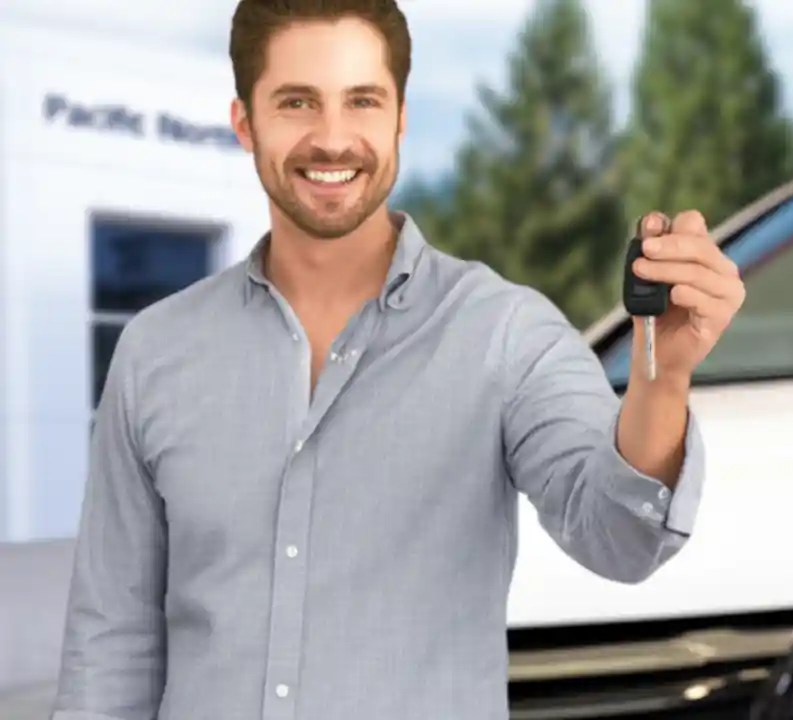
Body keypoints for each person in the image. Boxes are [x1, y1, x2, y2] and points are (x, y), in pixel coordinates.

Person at [48, 1, 745, 719]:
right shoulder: (156, 351)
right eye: (296, 102)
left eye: (362, 100)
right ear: (244, 121)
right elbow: (112, 646)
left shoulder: (504, 332)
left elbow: (620, 538)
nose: (331, 137)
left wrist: (665, 380)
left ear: (400, 118)